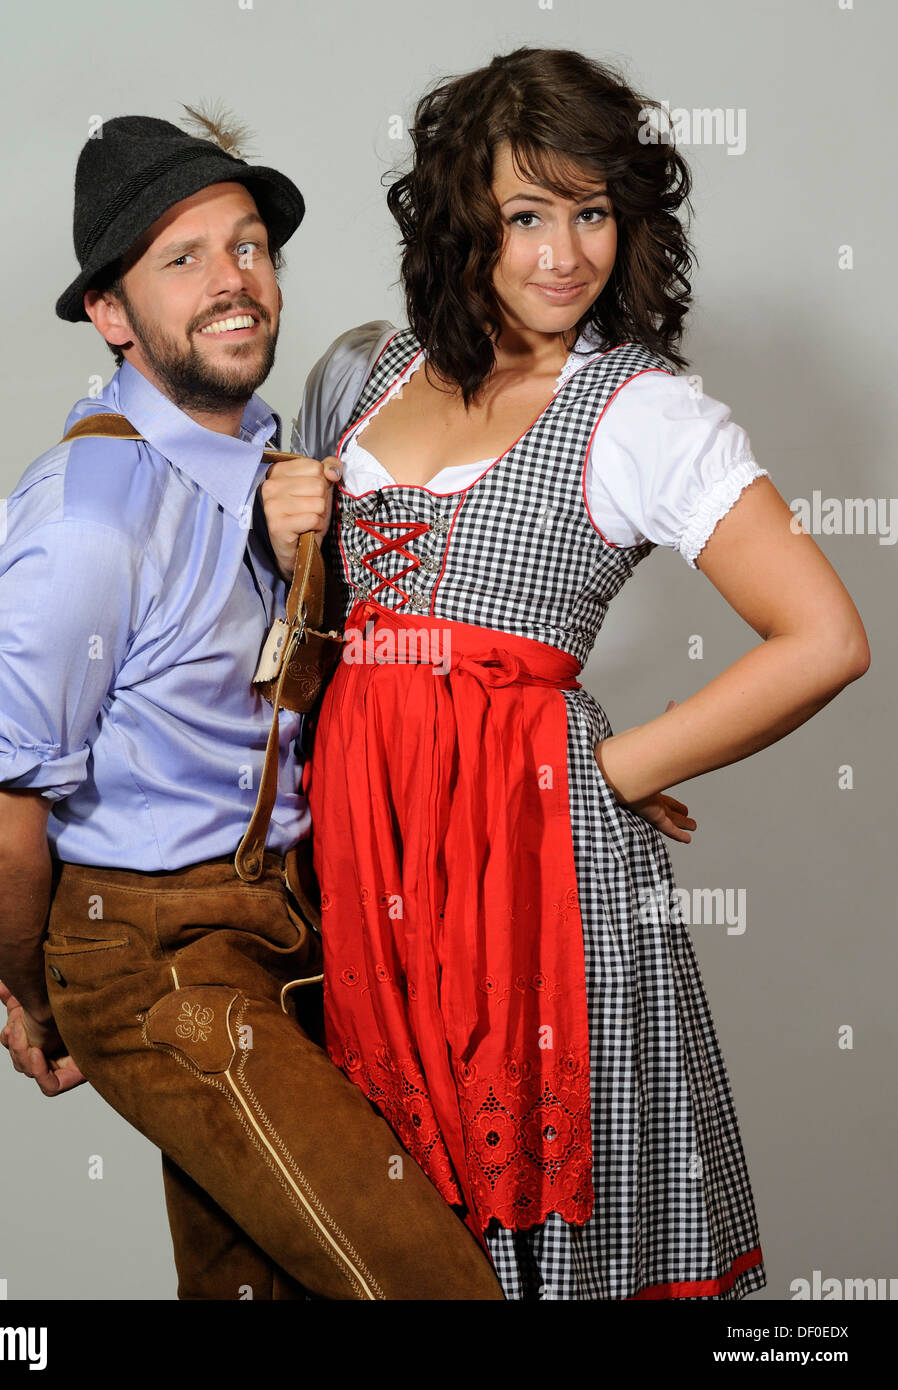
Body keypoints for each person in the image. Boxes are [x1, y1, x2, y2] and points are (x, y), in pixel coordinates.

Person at [264, 47, 871, 1300]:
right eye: (528, 214)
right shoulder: (370, 377)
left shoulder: (638, 409)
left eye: (592, 212)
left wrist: (613, 765)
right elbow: (301, 635)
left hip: (534, 863)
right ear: (463, 220)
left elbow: (825, 636)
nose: (564, 253)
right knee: (390, 1216)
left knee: (556, 1190)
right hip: (368, 852)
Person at [0, 108, 505, 1301]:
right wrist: (49, 1001)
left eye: (248, 247)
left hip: (297, 918)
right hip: (158, 950)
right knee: (431, 1287)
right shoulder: (90, 521)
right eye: (181, 259)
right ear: (109, 312)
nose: (233, 282)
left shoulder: (271, 456)